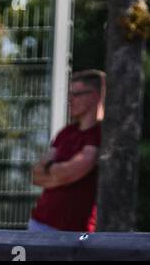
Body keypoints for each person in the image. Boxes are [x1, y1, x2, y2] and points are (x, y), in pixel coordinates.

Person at [28, 69, 103, 233]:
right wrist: (60, 174)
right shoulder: (66, 132)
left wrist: (52, 171)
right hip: (40, 222)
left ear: (94, 96)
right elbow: (36, 175)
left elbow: (77, 168)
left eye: (76, 94)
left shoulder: (100, 134)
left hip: (73, 232)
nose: (70, 100)